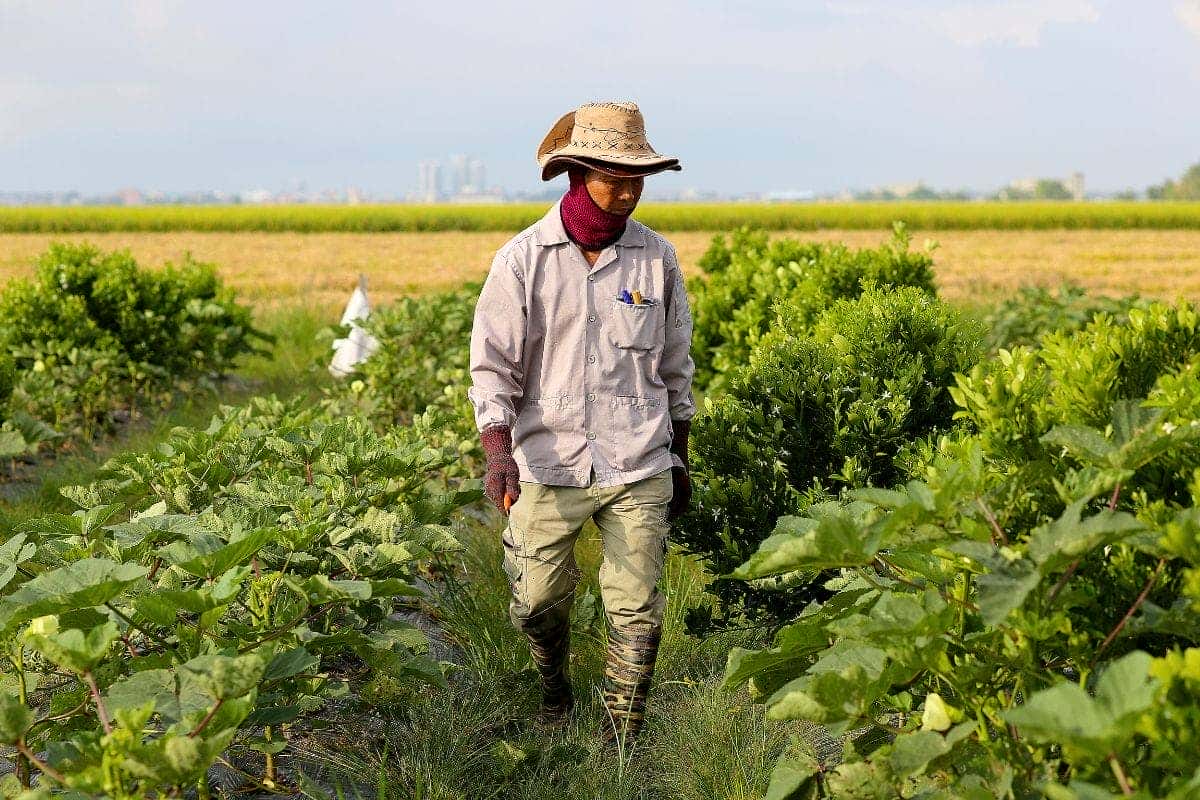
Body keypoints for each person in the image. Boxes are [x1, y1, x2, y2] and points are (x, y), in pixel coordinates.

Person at [467, 101, 695, 745]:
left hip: (639, 459)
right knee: (535, 599)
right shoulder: (522, 260)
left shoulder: (657, 259)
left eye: (637, 178)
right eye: (614, 177)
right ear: (577, 174)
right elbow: (493, 366)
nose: (628, 190)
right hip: (547, 460)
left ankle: (623, 737)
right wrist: (498, 452)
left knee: (636, 606)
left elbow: (675, 366)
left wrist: (681, 455)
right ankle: (554, 691)